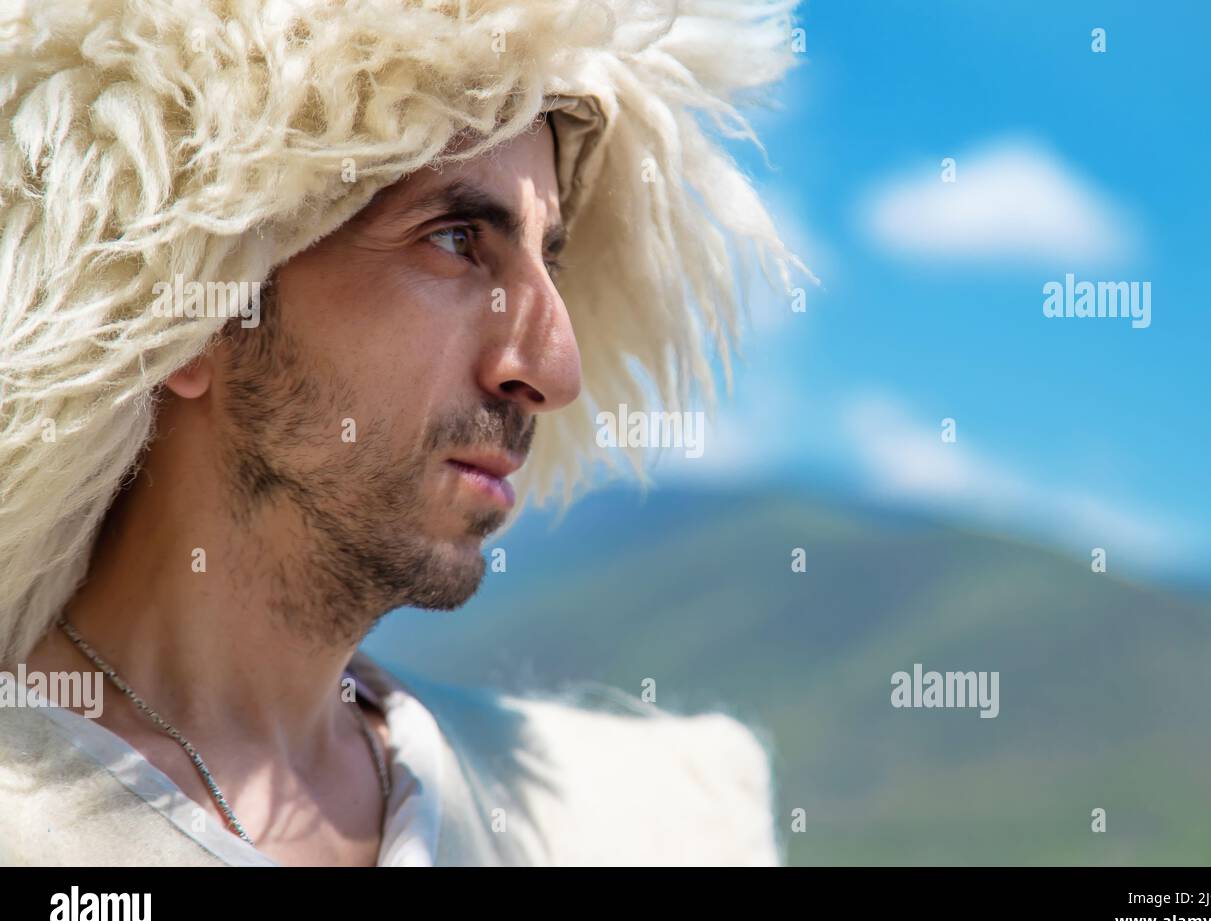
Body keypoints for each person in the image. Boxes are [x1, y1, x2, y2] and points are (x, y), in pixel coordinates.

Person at [0, 0, 805, 865]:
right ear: (191, 314)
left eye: (553, 260)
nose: (553, 368)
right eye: (457, 240)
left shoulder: (648, 823)